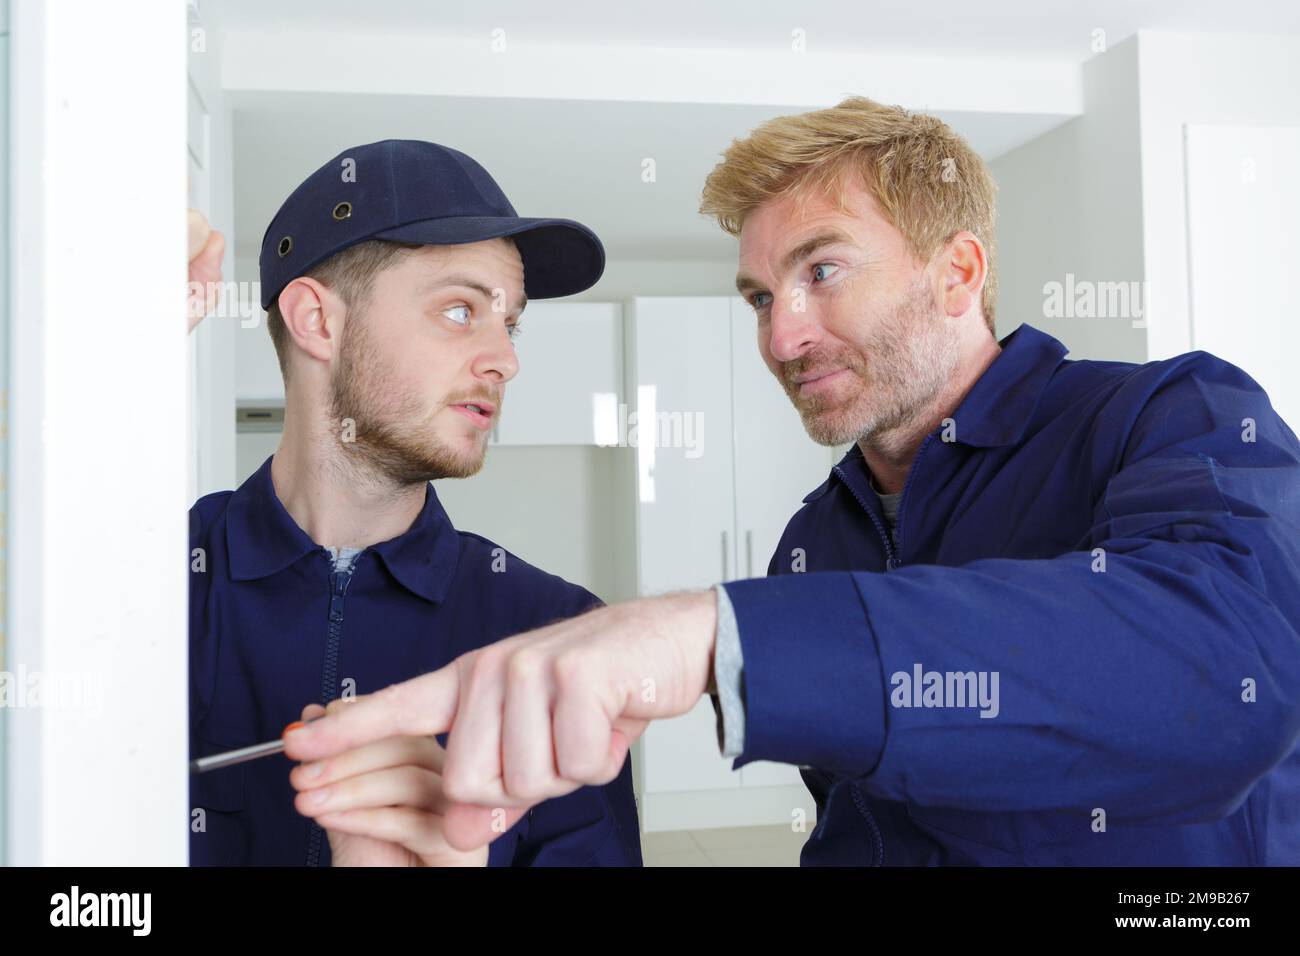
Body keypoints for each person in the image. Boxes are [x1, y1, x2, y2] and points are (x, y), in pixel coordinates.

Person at [285, 97, 1300, 866]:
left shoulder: (1173, 415)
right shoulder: (818, 537)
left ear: (957, 273)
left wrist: (714, 632)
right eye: (760, 295)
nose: (780, 334)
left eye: (822, 271)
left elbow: (1230, 676)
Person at [187, 139, 641, 866]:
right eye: (462, 311)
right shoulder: (153, 583)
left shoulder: (554, 636)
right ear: (317, 322)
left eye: (511, 321)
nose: (506, 358)